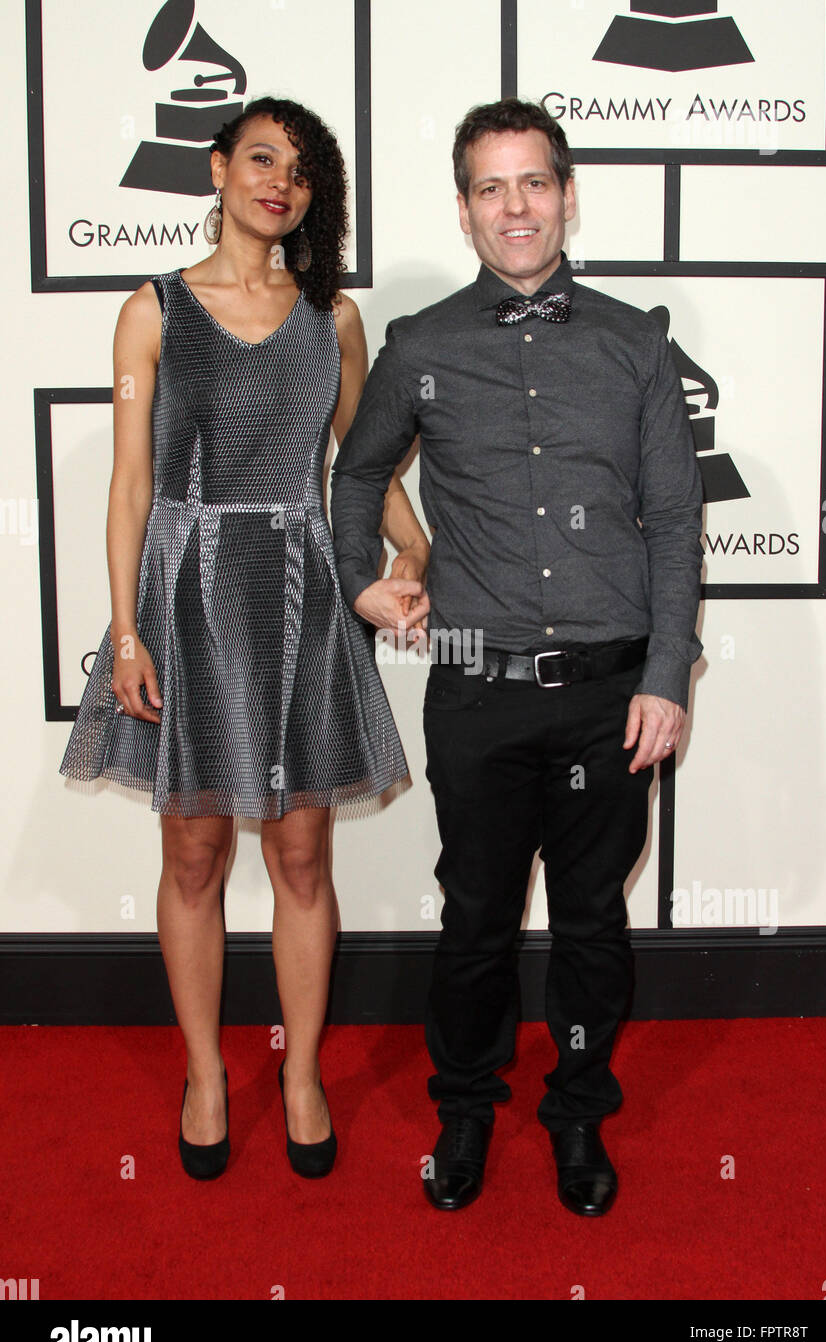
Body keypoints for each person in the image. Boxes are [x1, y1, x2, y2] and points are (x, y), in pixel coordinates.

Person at [330, 97, 703, 1215]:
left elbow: (677, 523)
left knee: (593, 923)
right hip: (478, 697)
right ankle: (464, 1108)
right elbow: (355, 476)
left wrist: (665, 675)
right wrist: (363, 579)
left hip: (609, 700)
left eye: (534, 182)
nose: (516, 207)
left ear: (567, 193)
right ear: (463, 210)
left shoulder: (636, 344)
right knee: (476, 917)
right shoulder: (422, 346)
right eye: (491, 188)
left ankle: (581, 1114)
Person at [59, 96, 430, 1182]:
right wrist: (125, 630)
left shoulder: (338, 319)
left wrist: (417, 554)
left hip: (305, 595)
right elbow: (131, 483)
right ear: (219, 169)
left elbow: (360, 473)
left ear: (316, 199)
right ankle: (207, 1074)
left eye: (303, 171)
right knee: (193, 851)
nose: (281, 181)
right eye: (261, 158)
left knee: (303, 851)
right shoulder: (153, 312)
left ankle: (301, 1072)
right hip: (186, 593)